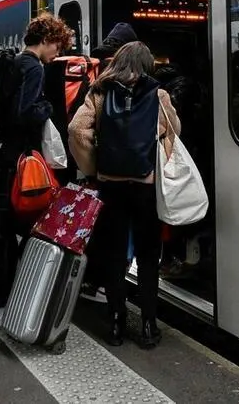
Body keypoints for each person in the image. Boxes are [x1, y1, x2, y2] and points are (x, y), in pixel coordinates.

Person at [68, 41, 180, 349]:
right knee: (147, 257)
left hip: (111, 186)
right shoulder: (159, 95)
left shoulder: (99, 91)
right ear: (147, 65)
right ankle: (147, 325)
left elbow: (77, 130)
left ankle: (116, 323)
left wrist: (96, 166)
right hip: (145, 187)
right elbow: (173, 132)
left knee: (114, 255)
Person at [0, 13, 74, 328]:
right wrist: (48, 108)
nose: (58, 51)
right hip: (14, 165)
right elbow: (24, 112)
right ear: (45, 39)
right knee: (7, 237)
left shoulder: (12, 63)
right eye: (57, 44)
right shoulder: (33, 68)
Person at [79, 22, 137, 302]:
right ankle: (111, 287)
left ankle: (97, 282)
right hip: (136, 176)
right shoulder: (146, 88)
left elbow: (77, 130)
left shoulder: (96, 86)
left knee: (104, 227)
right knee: (124, 233)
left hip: (104, 173)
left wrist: (90, 165)